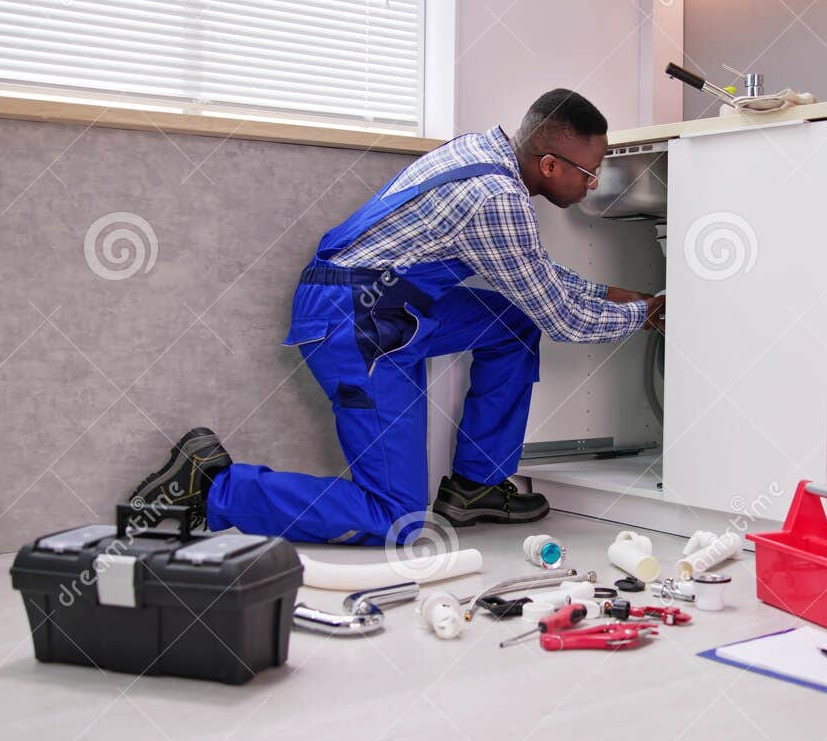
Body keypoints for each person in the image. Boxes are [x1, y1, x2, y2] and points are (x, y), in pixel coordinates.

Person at [127, 89, 664, 545]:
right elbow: (564, 321)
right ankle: (212, 488)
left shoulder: (480, 151)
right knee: (397, 518)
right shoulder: (496, 199)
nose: (592, 186)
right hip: (353, 323)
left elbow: (533, 277)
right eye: (591, 175)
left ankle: (476, 487)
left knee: (511, 323)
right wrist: (644, 317)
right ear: (550, 165)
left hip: (389, 307)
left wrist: (620, 296)